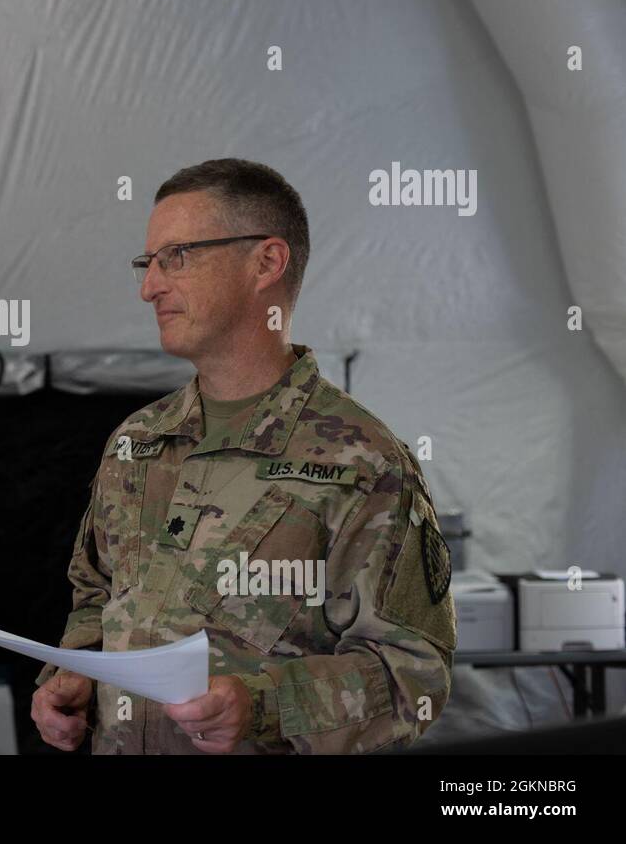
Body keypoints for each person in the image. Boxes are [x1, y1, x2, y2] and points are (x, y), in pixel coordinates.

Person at [30, 158, 456, 754]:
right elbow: (95, 595)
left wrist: (264, 706)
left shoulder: (361, 462)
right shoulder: (137, 441)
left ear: (267, 262)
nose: (149, 286)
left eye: (176, 256)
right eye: (146, 263)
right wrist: (72, 675)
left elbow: (415, 677)